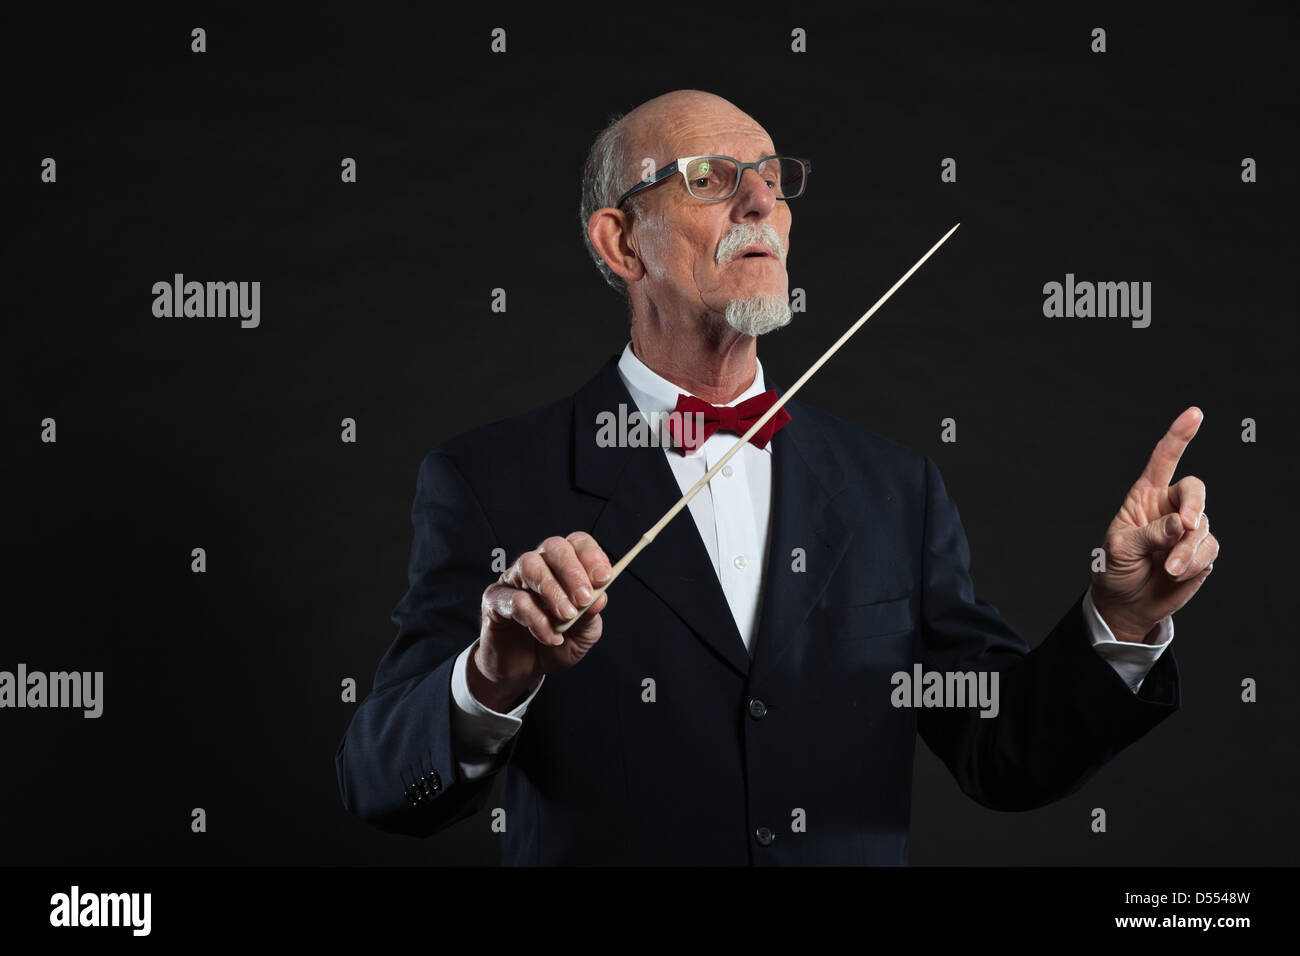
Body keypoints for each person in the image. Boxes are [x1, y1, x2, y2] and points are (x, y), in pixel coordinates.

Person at [334, 90, 1220, 865]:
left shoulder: (894, 489)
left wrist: (1125, 618)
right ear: (621, 242)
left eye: (771, 176)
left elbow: (1007, 753)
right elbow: (379, 784)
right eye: (710, 177)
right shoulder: (488, 477)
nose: (762, 198)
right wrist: (492, 678)